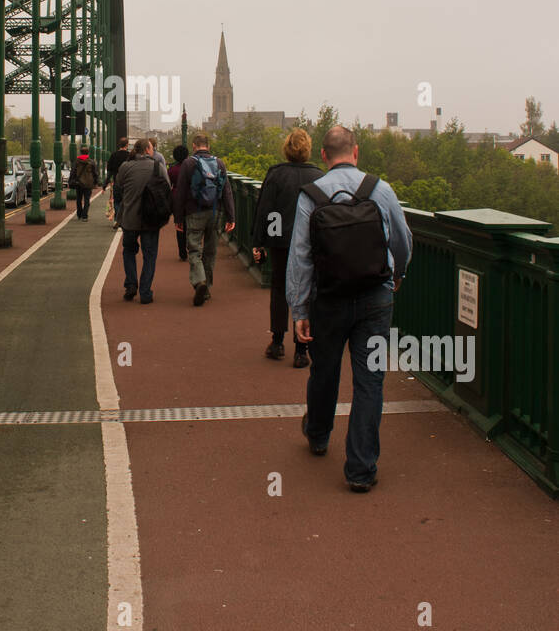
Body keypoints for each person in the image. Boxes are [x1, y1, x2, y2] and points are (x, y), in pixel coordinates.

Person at [287, 126, 413, 492]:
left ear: (323, 156)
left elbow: (300, 256)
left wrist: (299, 309)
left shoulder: (310, 196)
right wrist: (397, 273)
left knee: (325, 370)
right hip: (375, 297)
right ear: (355, 152)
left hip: (328, 300)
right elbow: (403, 240)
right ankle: (360, 469)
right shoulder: (381, 189)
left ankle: (319, 434)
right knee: (370, 381)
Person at [251, 128, 323, 367]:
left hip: (282, 241)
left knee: (280, 287)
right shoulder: (319, 176)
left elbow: (267, 210)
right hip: (310, 242)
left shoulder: (276, 174)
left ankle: (278, 341)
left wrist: (262, 241)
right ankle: (302, 349)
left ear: (287, 149)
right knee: (308, 290)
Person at [173, 134, 235, 306]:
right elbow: (227, 191)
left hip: (193, 213)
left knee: (194, 250)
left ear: (194, 146)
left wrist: (178, 218)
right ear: (208, 146)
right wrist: (231, 216)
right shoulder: (220, 163)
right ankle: (206, 288)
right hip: (215, 212)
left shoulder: (188, 163)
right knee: (210, 252)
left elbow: (181, 192)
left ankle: (199, 281)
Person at [117, 139, 166, 304]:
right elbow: (166, 186)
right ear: (146, 150)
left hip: (129, 218)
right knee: (150, 255)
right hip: (150, 219)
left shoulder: (126, 166)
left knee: (129, 251)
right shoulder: (157, 167)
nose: (153, 151)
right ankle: (145, 292)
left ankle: (131, 284)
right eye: (152, 148)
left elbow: (119, 184)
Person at [103, 136, 132, 226]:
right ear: (127, 145)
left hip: (117, 182)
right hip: (127, 182)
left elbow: (110, 172)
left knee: (117, 201)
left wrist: (104, 185)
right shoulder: (130, 156)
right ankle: (125, 220)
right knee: (127, 201)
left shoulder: (114, 155)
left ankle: (116, 219)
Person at [168, 145, 189, 261]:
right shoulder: (191, 167)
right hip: (190, 198)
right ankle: (192, 247)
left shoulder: (172, 170)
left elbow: (168, 185)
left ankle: (182, 251)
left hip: (176, 198)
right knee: (191, 224)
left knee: (179, 225)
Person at [68, 146, 99, 222]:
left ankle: (79, 214)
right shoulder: (91, 162)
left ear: (81, 152)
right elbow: (95, 173)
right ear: (88, 153)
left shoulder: (76, 162)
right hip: (88, 183)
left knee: (79, 199)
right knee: (87, 200)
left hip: (78, 183)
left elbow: (73, 172)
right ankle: (85, 216)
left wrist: (70, 181)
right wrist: (96, 182)